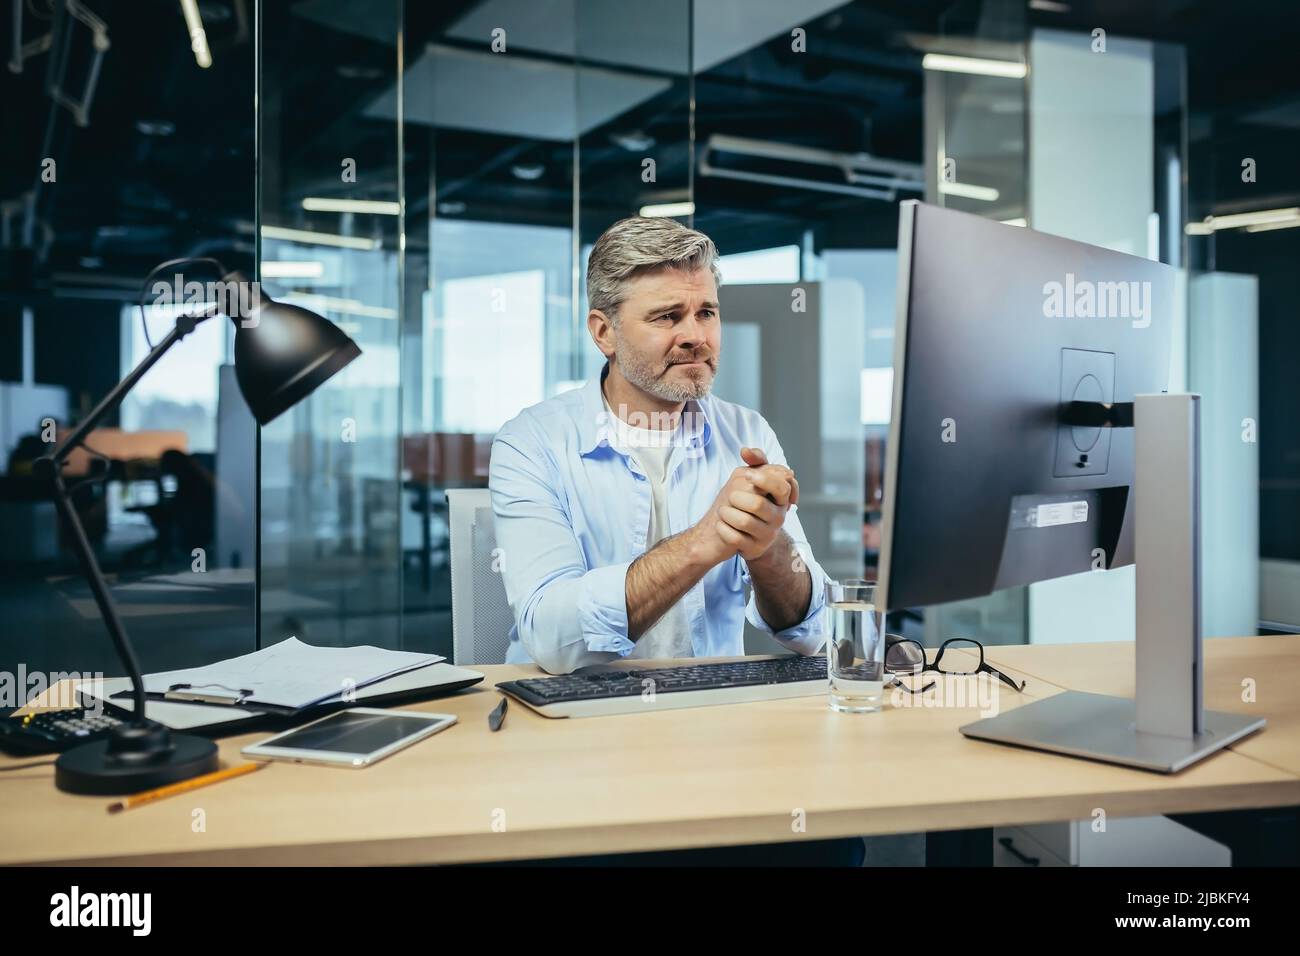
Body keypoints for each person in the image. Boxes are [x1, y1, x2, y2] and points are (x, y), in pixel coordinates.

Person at [490, 216, 829, 674]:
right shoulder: (531, 442)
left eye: (706, 312)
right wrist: (704, 541)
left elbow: (815, 630)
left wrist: (768, 545)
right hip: (572, 715)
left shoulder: (748, 434)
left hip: (708, 711)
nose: (695, 336)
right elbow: (553, 640)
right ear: (603, 332)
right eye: (667, 316)